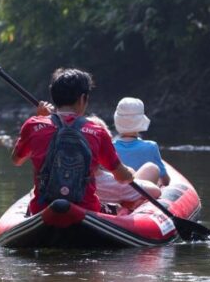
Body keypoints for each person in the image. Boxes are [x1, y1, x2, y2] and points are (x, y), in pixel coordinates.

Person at [11, 68, 133, 215]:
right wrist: (131, 174)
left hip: (42, 210)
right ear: (83, 98)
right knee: (122, 210)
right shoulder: (97, 131)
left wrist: (41, 119)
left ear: (54, 97)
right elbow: (122, 177)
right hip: (87, 210)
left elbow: (16, 160)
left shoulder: (33, 125)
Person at [85, 116, 162, 210]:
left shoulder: (68, 178)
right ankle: (132, 205)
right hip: (117, 208)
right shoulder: (110, 182)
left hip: (85, 210)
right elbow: (156, 191)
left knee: (143, 170)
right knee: (151, 168)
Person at [113, 97, 170, 185]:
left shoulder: (109, 147)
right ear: (141, 121)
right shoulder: (151, 146)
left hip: (115, 193)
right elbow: (166, 181)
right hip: (142, 194)